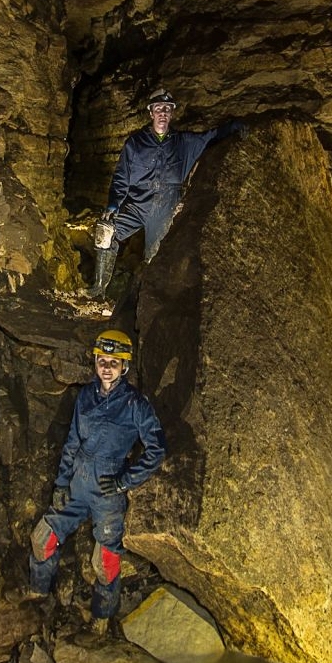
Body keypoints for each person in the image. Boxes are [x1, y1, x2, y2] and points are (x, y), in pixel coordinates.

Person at [28, 329, 167, 622]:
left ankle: (102, 618)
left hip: (108, 490)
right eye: (102, 360)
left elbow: (157, 449)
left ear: (124, 366)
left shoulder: (135, 405)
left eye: (114, 362)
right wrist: (61, 483)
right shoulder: (86, 396)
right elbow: (72, 441)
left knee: (105, 561)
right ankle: (38, 596)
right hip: (77, 481)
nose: (106, 367)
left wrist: (124, 481)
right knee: (42, 538)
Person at [90, 87, 242, 296]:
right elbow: (121, 178)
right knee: (105, 231)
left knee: (155, 257)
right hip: (138, 204)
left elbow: (211, 137)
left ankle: (142, 300)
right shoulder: (135, 143)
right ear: (151, 112)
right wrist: (113, 204)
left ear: (171, 114)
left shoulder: (184, 143)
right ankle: (99, 289)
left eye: (167, 109)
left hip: (166, 208)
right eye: (159, 108)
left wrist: (233, 127)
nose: (163, 113)